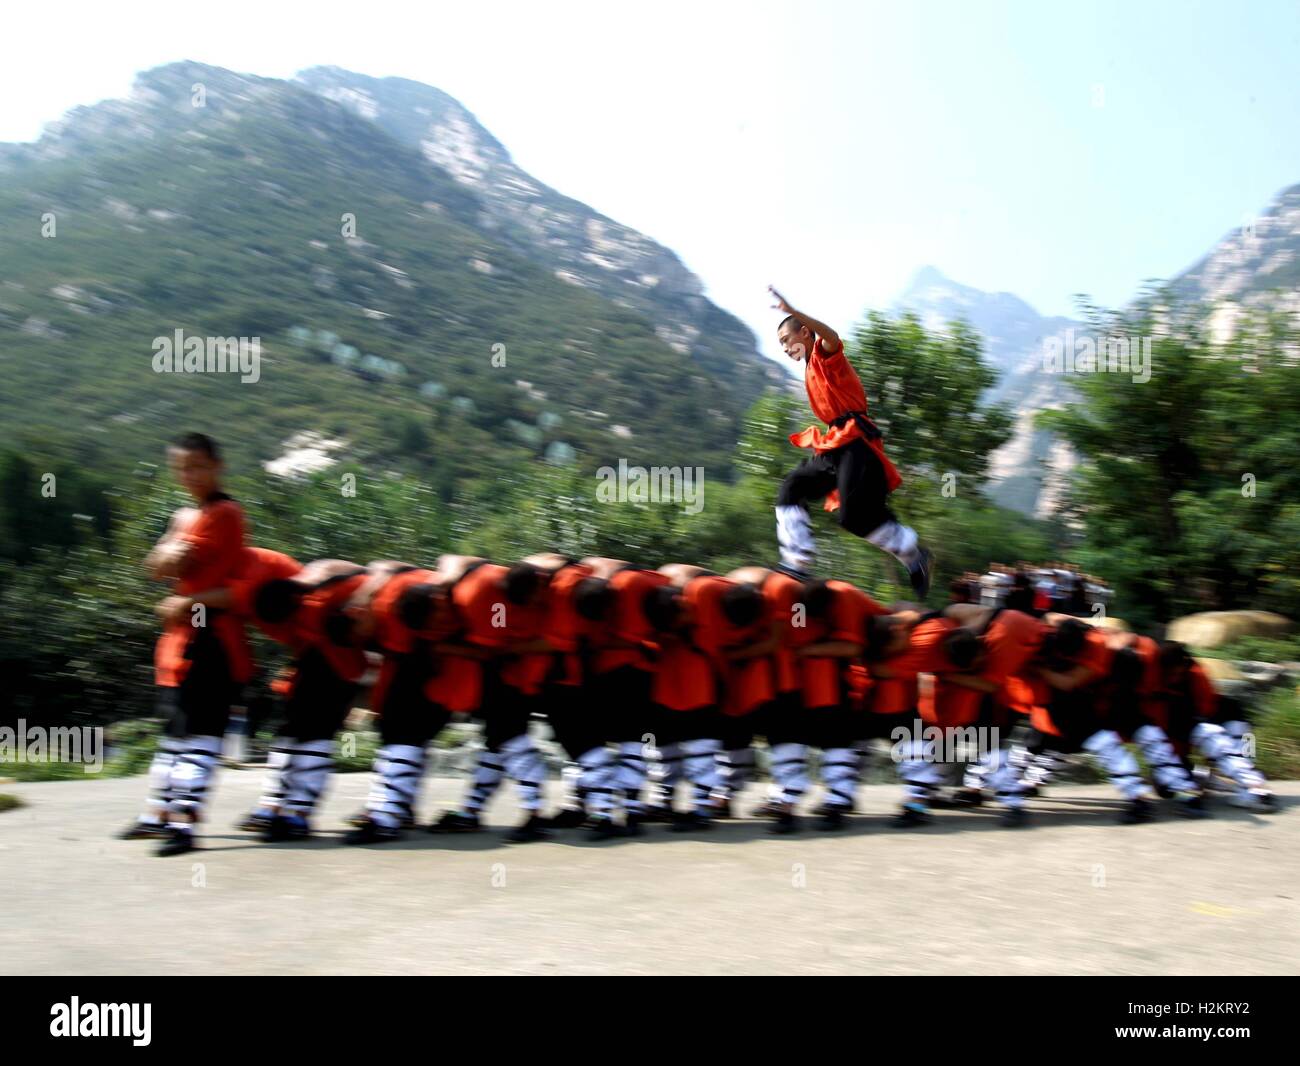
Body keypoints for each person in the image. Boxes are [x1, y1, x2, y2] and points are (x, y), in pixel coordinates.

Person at [123, 433, 251, 857]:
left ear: (217, 466)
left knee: (200, 734)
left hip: (209, 636)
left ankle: (183, 824)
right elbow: (154, 567)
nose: (188, 475)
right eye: (181, 467)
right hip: (181, 639)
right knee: (176, 732)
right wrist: (170, 553)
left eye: (197, 466)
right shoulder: (188, 514)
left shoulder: (225, 512)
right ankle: (157, 814)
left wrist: (172, 550)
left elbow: (175, 562)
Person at [769, 286, 932, 595]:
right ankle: (797, 562)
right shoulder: (808, 370)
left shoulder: (825, 356)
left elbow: (830, 335)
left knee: (853, 517)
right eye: (781, 345)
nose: (785, 348)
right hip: (835, 444)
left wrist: (794, 309)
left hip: (857, 443)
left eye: (786, 340)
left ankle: (914, 555)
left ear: (804, 332)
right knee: (792, 486)